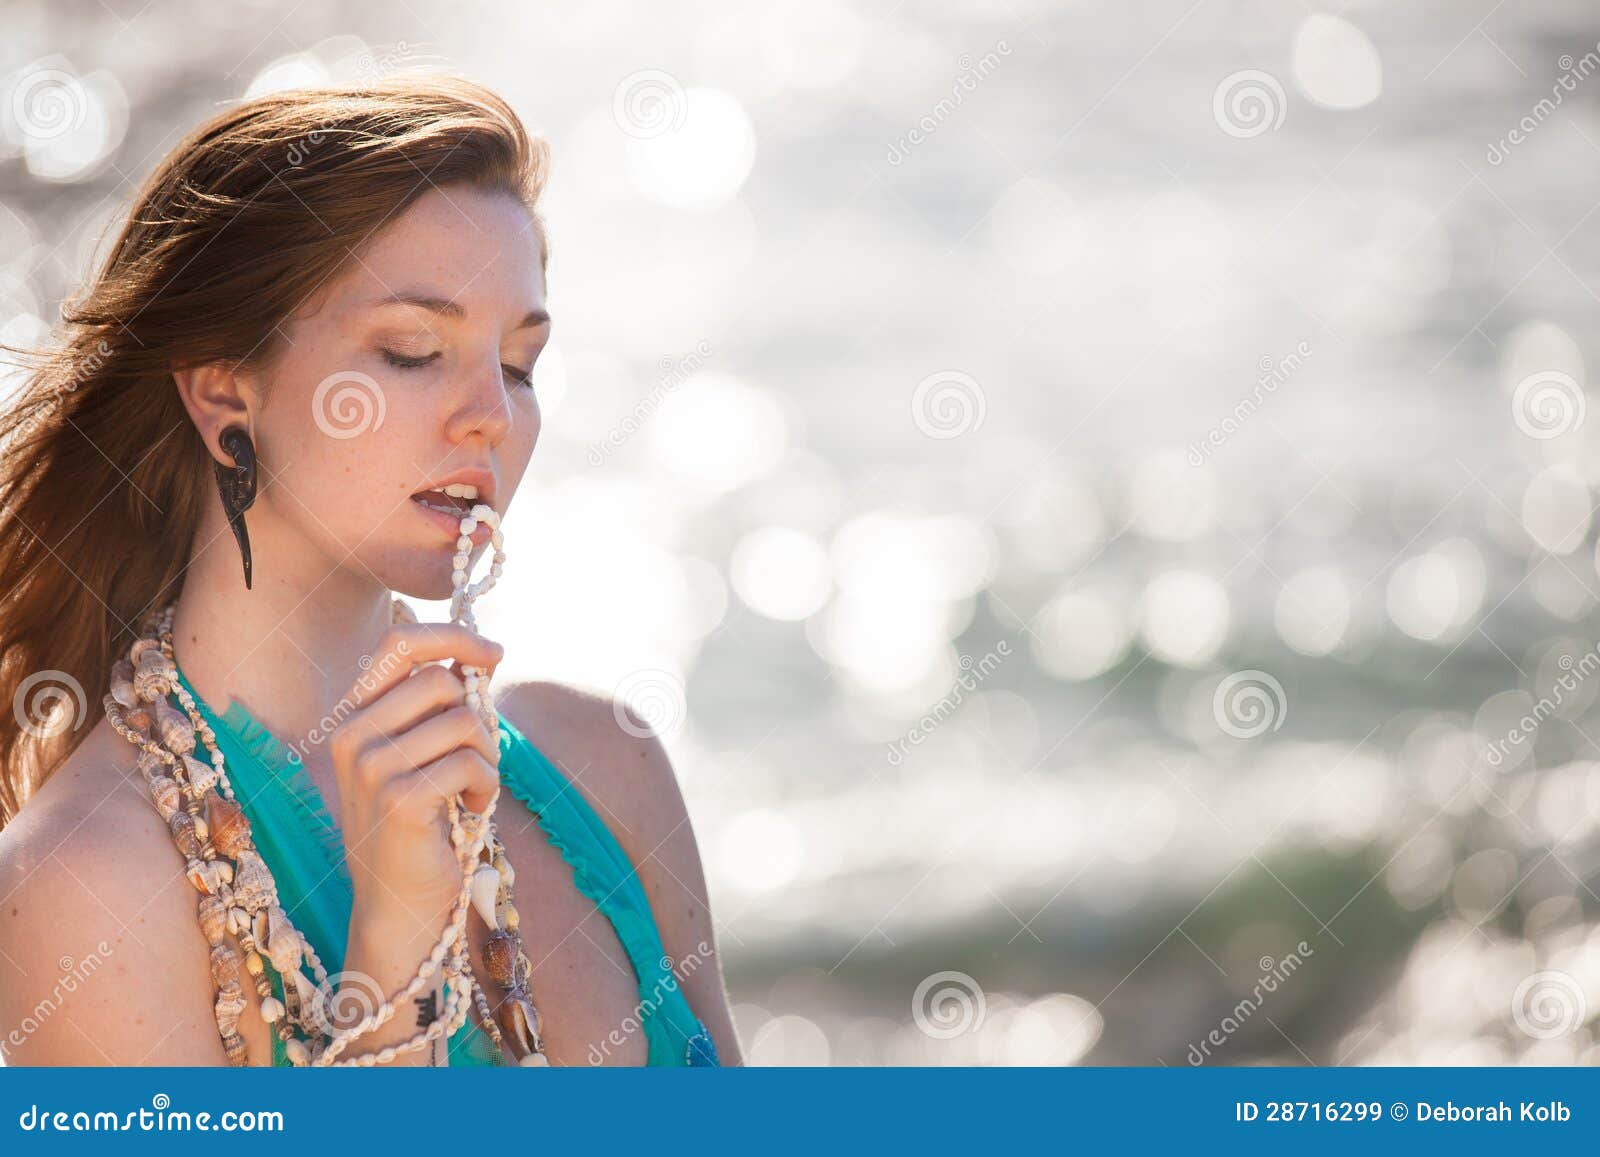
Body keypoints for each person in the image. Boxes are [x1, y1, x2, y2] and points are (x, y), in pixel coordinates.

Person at [0, 76, 742, 1067]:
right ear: (225, 391)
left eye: (519, 364)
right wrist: (391, 949)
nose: (490, 415)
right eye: (411, 351)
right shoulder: (81, 885)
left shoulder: (604, 762)